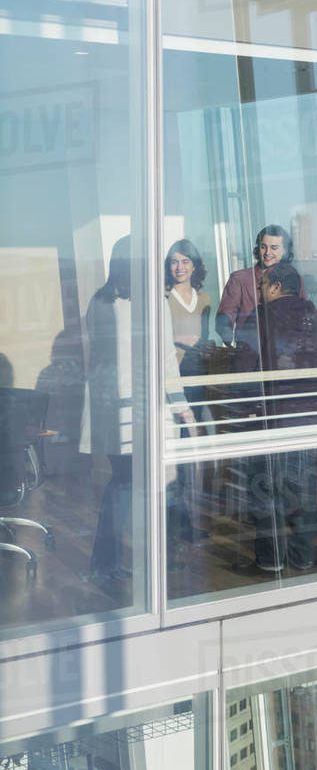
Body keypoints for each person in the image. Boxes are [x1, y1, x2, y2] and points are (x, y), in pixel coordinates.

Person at [81, 236, 194, 581]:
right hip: (132, 411)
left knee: (126, 484)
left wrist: (180, 406)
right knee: (134, 484)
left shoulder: (102, 301)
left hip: (123, 411)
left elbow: (99, 361)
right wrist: (182, 408)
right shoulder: (139, 303)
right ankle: (120, 564)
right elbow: (163, 362)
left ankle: (111, 562)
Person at [235, 261, 317, 573]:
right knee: (303, 488)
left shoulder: (261, 317)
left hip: (272, 418)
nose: (261, 291)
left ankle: (270, 561)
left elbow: (243, 370)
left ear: (276, 287)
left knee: (265, 488)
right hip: (311, 419)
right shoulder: (316, 318)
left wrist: (239, 404)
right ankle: (301, 556)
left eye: (264, 286)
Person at [215, 225, 293, 346]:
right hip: (252, 352)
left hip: (286, 352)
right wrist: (226, 330)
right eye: (263, 247)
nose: (268, 253)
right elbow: (226, 314)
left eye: (274, 248)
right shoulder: (240, 279)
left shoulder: (293, 279)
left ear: (284, 251)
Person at [165, 238, 213, 431]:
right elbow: (153, 339)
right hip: (174, 373)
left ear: (194, 266)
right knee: (179, 429)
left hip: (198, 371)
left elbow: (205, 335)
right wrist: (179, 339)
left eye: (185, 262)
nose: (179, 268)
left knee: (197, 427)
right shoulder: (163, 297)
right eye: (174, 262)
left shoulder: (204, 298)